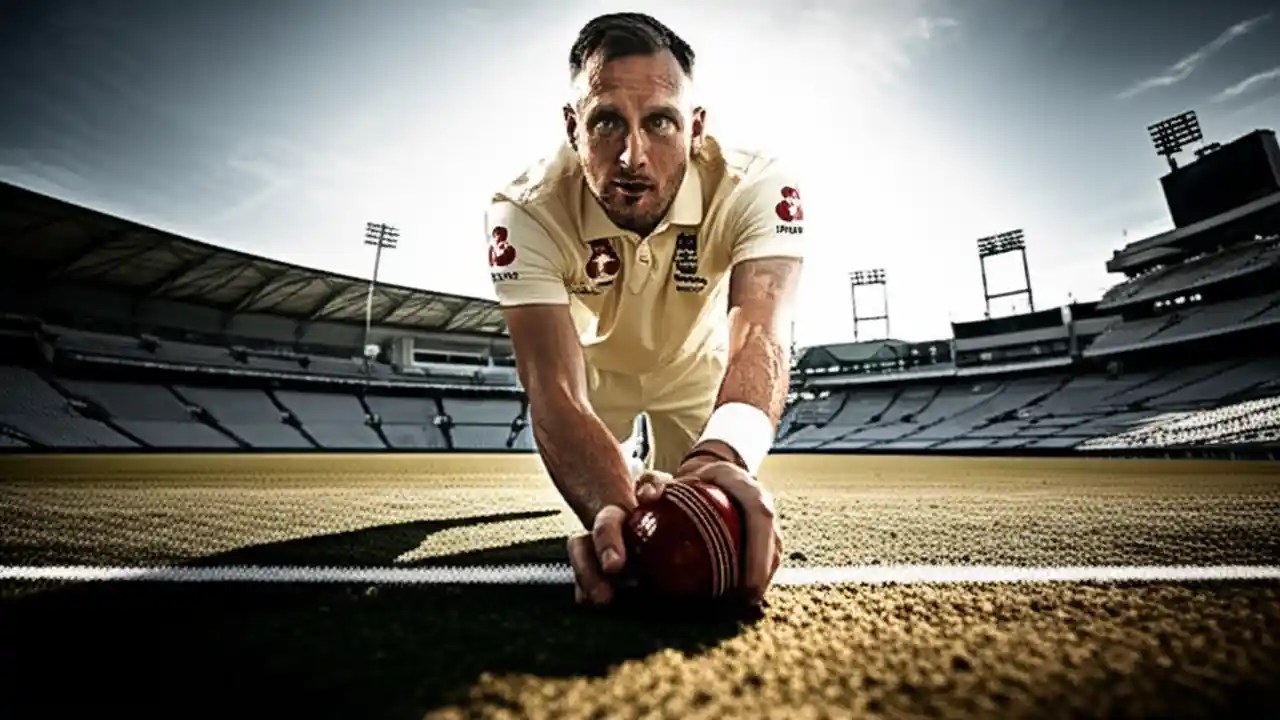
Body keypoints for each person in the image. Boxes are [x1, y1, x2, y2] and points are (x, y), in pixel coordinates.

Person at [484, 12, 805, 607]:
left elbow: (761, 334)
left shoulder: (758, 186)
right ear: (572, 127)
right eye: (607, 121)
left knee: (708, 501)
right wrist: (623, 521)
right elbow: (553, 390)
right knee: (626, 514)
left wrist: (722, 451)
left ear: (696, 128)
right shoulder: (523, 210)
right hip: (594, 378)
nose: (633, 155)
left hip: (697, 374)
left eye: (660, 121)